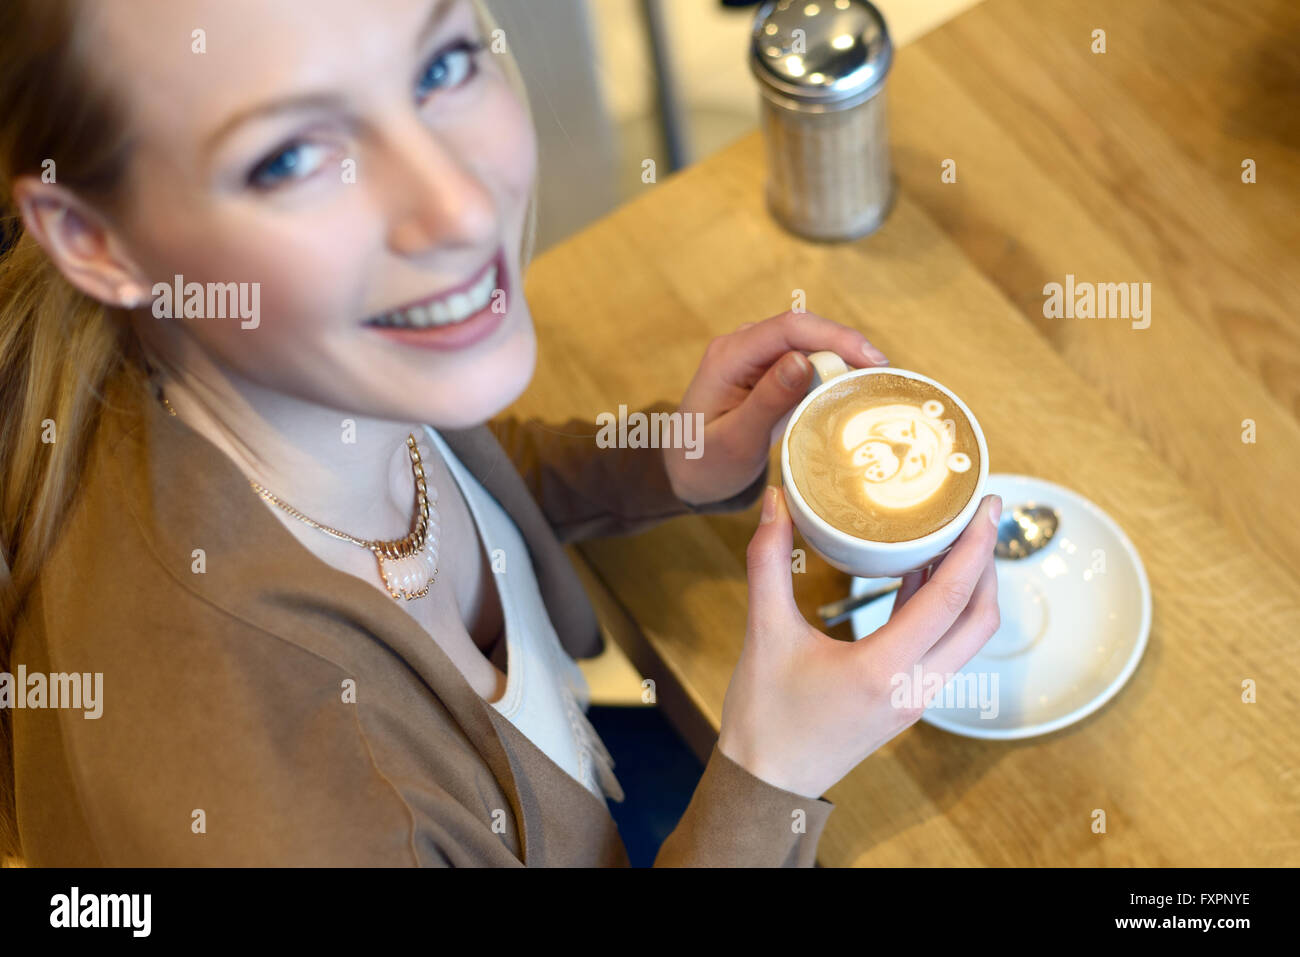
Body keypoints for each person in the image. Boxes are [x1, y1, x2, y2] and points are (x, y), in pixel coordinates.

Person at [0, 0, 1001, 866]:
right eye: (293, 158)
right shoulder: (309, 817)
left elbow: (440, 475)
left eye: (438, 66)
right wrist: (770, 777)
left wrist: (662, 461)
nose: (460, 203)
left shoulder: (256, 378)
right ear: (93, 239)